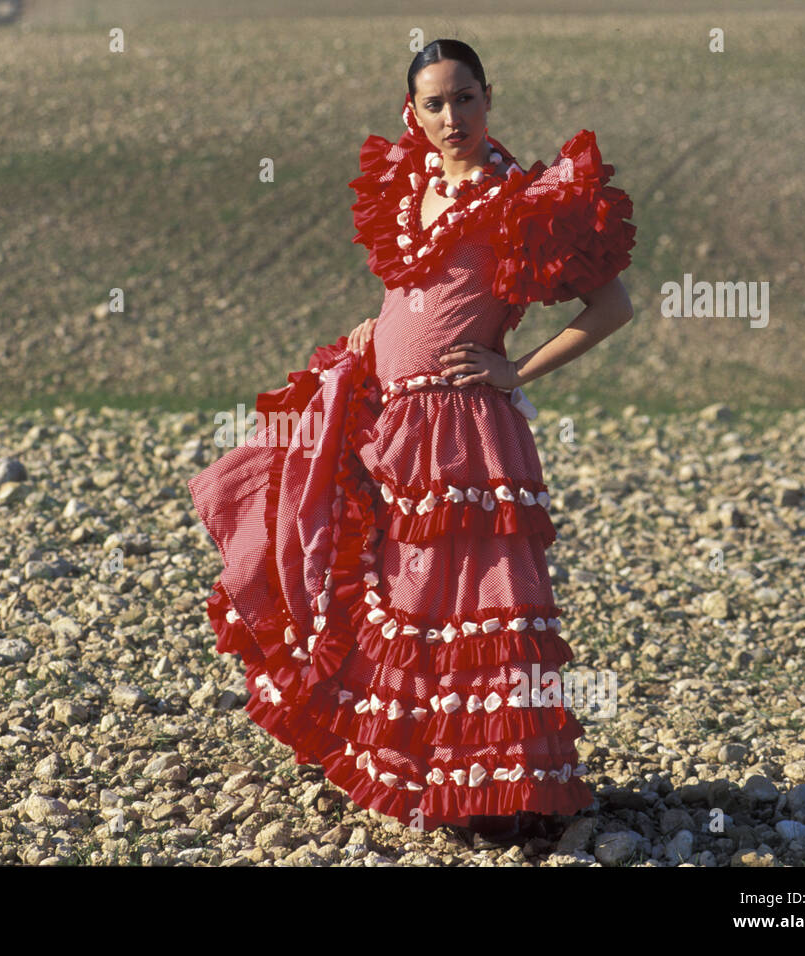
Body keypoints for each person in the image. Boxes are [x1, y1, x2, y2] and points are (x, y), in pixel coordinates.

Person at [188, 38, 636, 848]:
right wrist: (380, 330)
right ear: (412, 111)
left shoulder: (524, 199)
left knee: (475, 605)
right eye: (434, 103)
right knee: (386, 586)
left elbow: (611, 308)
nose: (451, 117)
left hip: (466, 431)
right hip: (388, 414)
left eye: (465, 98)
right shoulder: (413, 183)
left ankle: (501, 790)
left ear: (488, 98)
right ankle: (419, 768)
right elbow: (415, 293)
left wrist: (515, 369)